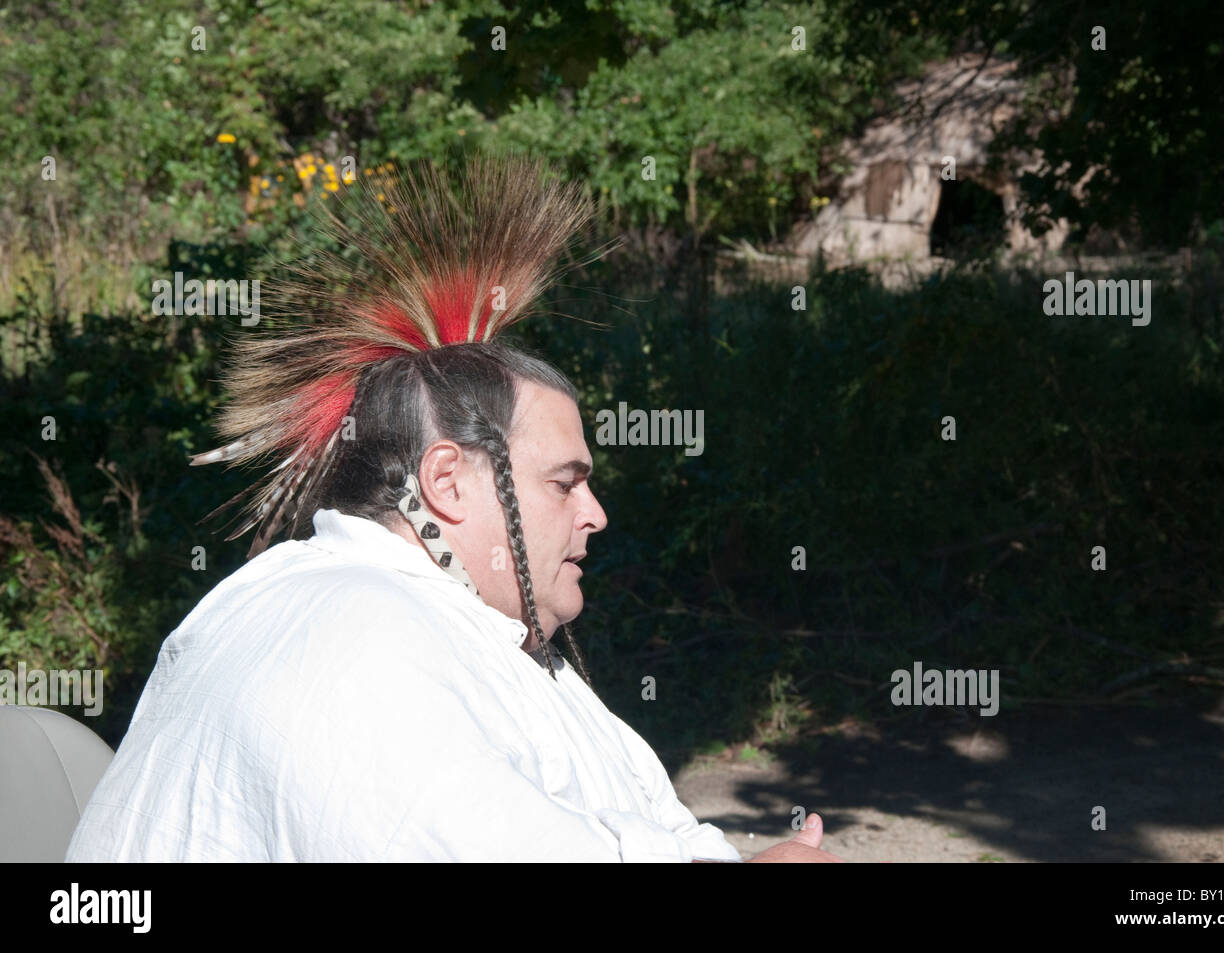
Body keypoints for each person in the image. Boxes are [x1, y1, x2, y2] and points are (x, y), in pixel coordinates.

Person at [65, 156, 843, 863]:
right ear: (447, 481)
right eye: (564, 482)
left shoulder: (397, 613)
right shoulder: (354, 636)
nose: (596, 512)